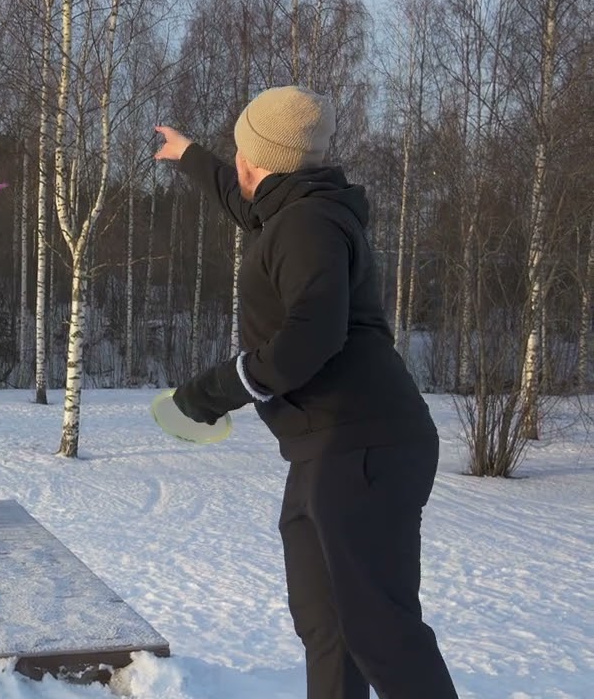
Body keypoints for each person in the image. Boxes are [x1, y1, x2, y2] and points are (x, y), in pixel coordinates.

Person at [154, 86, 459, 699]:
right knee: (327, 627)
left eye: (240, 154)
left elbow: (311, 336)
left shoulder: (310, 224)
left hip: (361, 445)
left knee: (379, 630)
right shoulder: (300, 208)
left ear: (253, 159)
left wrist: (212, 392)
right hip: (332, 448)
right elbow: (250, 205)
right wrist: (191, 156)